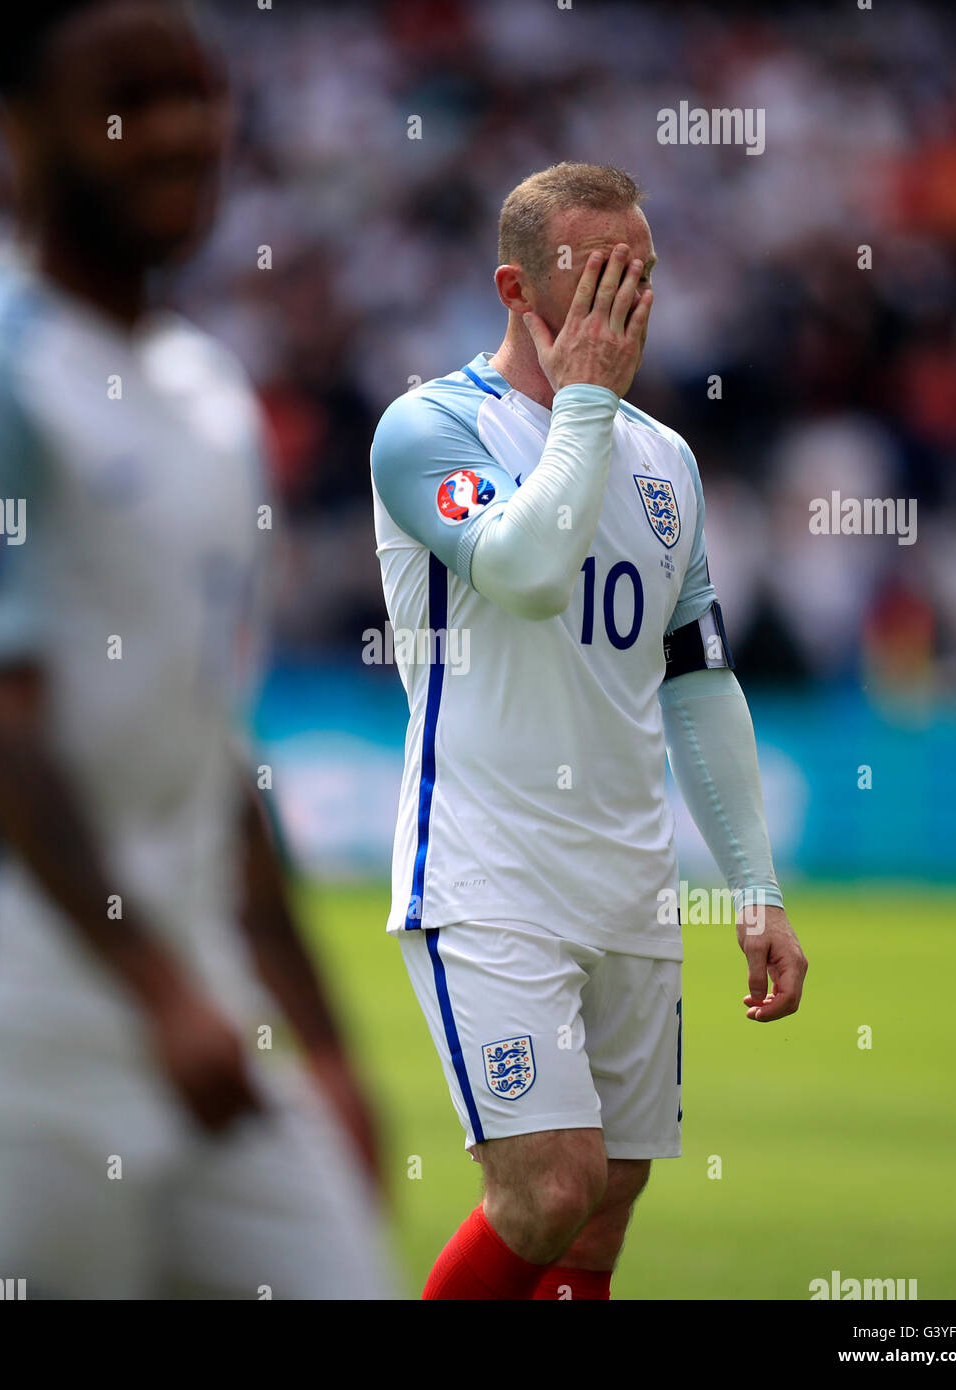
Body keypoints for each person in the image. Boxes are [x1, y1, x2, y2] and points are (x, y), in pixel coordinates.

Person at [0, 0, 395, 1300]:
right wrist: (158, 986)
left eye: (197, 92)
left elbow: (212, 752)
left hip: (195, 1023)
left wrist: (318, 1045)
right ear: (14, 129)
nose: (181, 131)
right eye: (128, 99)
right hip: (6, 1029)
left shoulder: (207, 391)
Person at [369, 162, 807, 1301]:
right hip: (485, 873)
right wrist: (583, 407)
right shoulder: (429, 428)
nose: (628, 300)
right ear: (516, 287)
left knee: (601, 1214)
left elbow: (695, 678)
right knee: (544, 1188)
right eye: (598, 273)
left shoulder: (666, 463)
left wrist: (752, 885)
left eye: (643, 274)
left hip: (628, 881)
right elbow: (520, 568)